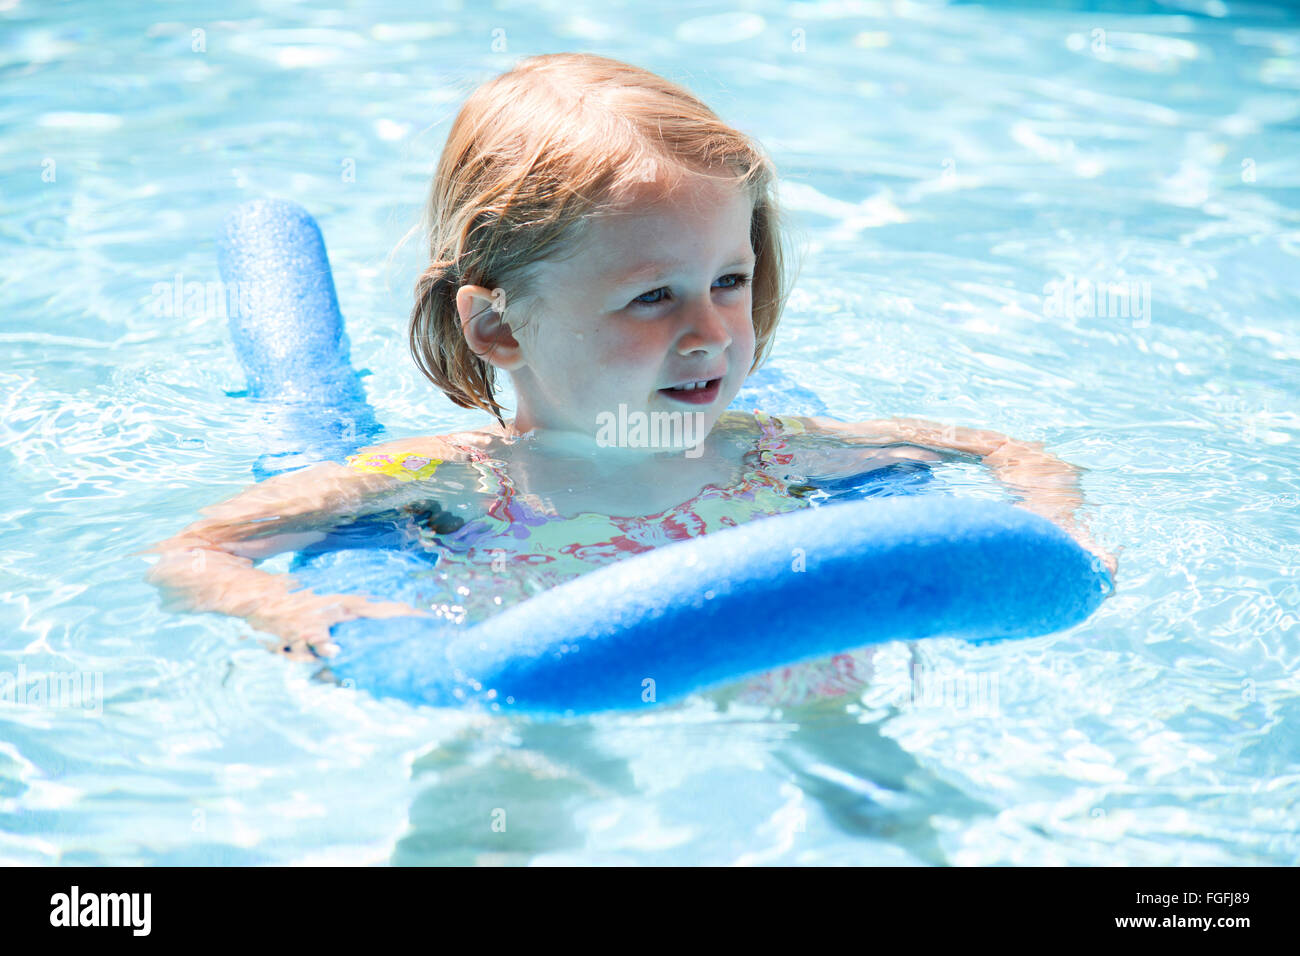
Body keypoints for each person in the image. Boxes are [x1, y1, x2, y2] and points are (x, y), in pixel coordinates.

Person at [146, 53, 1116, 705]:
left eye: (729, 281)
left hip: (782, 687)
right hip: (540, 706)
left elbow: (1007, 452)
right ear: (498, 326)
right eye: (652, 296)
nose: (710, 332)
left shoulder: (770, 449)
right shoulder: (453, 477)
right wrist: (301, 612)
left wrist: (1059, 524)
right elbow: (193, 551)